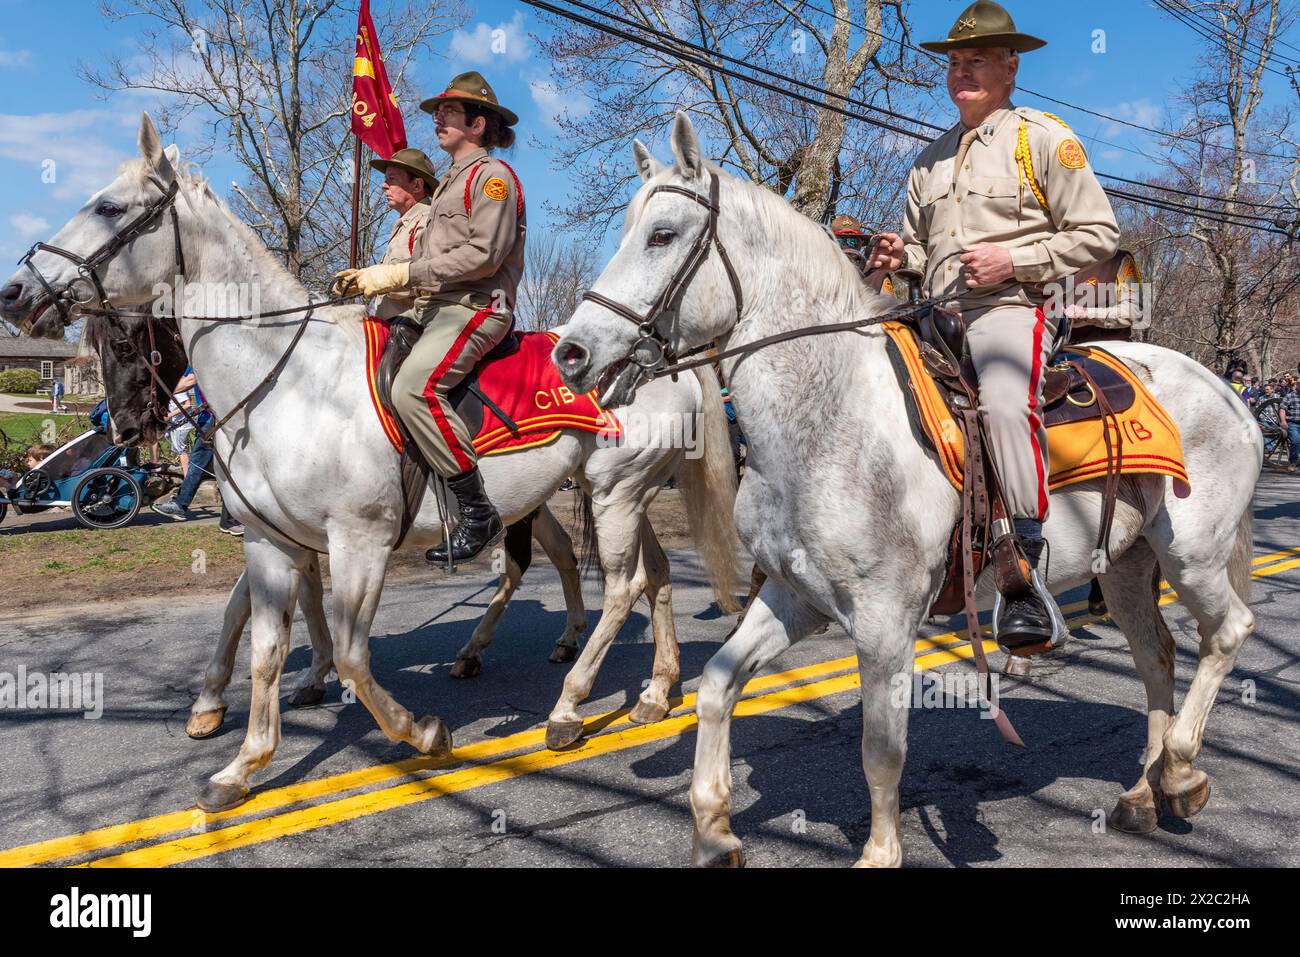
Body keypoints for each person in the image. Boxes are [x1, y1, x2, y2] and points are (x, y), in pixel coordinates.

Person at [867, 0, 1120, 647]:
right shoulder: (927, 161)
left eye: (975, 60)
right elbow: (925, 258)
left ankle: (1023, 571)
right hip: (930, 313)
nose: (961, 72)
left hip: (1010, 309)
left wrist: (1015, 257)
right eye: (953, 62)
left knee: (1004, 400)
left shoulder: (1041, 139)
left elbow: (1099, 235)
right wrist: (901, 258)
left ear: (1010, 66)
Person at [332, 71, 525, 564]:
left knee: (412, 388)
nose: (437, 118)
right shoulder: (447, 188)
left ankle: (477, 512)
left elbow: (483, 256)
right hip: (436, 309)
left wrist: (399, 274)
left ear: (478, 124)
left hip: (475, 307)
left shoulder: (493, 179)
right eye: (437, 111)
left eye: (448, 112)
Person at [368, 148, 438, 320]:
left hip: (411, 336)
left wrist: (381, 280)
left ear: (417, 185)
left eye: (392, 179)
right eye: (386, 179)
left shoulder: (427, 222)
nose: (384, 185)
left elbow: (430, 280)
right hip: (390, 331)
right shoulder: (406, 224)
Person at [151, 369, 216, 520]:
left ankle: (180, 505)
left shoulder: (200, 355)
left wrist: (156, 393)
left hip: (212, 420)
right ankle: (231, 517)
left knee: (198, 461)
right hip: (209, 418)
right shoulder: (192, 360)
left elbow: (189, 381)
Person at [1279, 381, 1300, 473]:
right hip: (1293, 423)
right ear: (1298, 385)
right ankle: (1293, 462)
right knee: (1296, 441)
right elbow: (1282, 409)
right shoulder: (1290, 396)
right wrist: (1283, 421)